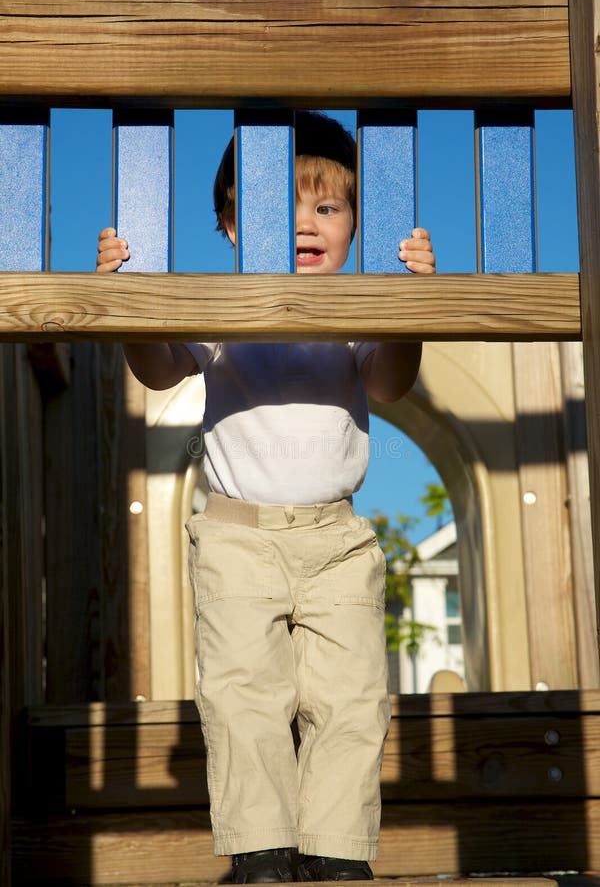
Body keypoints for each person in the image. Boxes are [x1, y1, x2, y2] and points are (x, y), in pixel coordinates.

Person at [96, 111, 435, 884]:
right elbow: (159, 368)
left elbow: (389, 381)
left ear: (355, 224)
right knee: (245, 696)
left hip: (336, 539)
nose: (306, 225)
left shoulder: (357, 312)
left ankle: (336, 849)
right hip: (238, 537)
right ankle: (263, 852)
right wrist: (128, 306)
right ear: (230, 225)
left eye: (328, 206)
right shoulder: (224, 309)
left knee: (350, 698)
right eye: (280, 208)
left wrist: (410, 309)